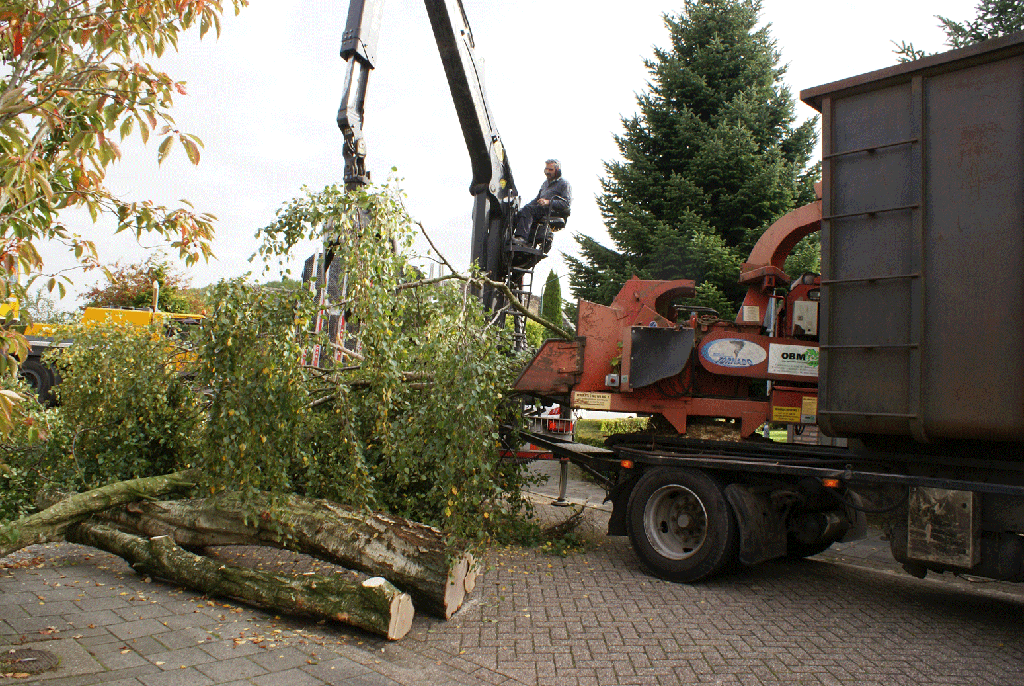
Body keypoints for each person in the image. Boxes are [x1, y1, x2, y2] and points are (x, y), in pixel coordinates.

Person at [512, 159, 572, 246]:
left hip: (552, 211)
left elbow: (566, 203)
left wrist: (548, 202)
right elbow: (537, 199)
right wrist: (522, 208)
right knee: (520, 212)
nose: (547, 172)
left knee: (529, 210)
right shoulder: (545, 184)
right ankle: (517, 238)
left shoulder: (564, 184)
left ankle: (521, 237)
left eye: (550, 170)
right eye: (546, 169)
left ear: (557, 170)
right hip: (540, 209)